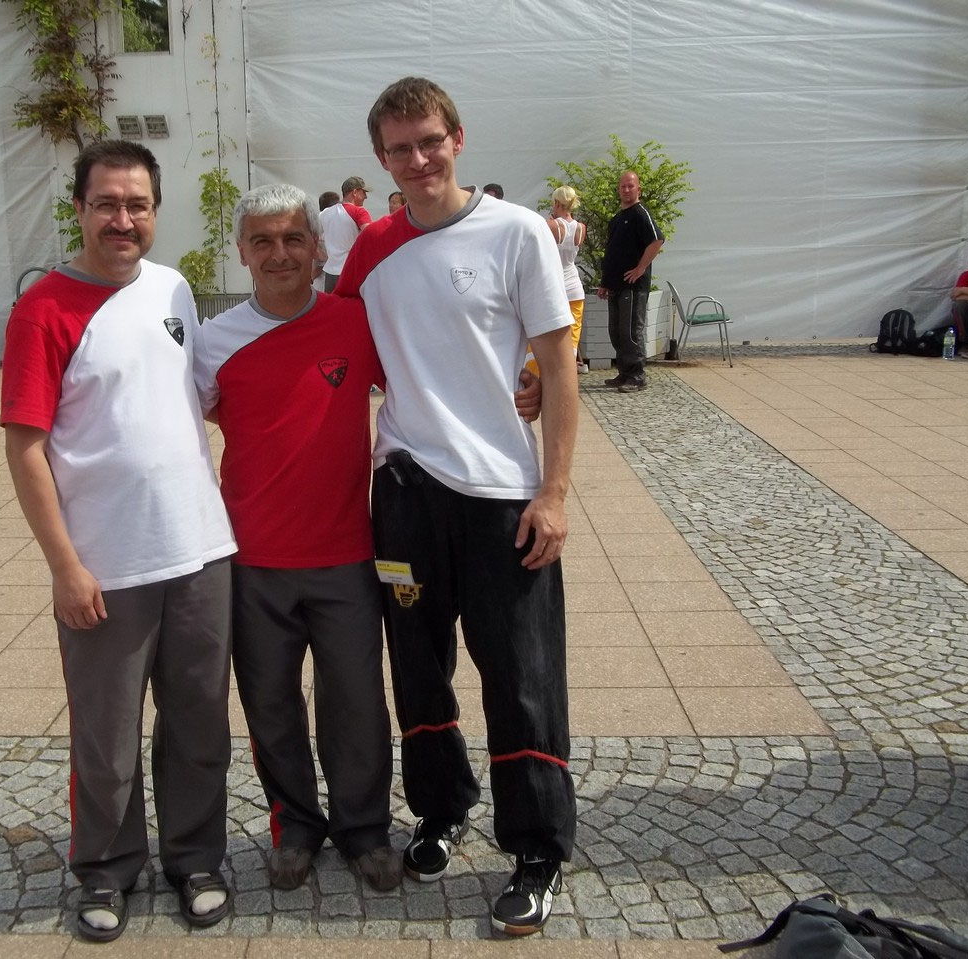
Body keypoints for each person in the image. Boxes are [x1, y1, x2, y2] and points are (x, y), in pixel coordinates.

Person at [336, 76, 580, 937]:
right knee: (419, 668)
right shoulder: (370, 251)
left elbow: (557, 368)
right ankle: (441, 809)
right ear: (380, 160)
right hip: (404, 493)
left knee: (520, 675)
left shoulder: (517, 234)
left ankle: (539, 848)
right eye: (399, 149)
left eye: (429, 140)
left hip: (501, 497)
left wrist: (553, 492)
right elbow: (330, 349)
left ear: (458, 137)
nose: (418, 159)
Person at [1, 139, 236, 941]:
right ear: (79, 208)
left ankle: (197, 857)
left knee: (200, 719)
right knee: (105, 736)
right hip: (106, 563)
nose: (123, 219)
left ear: (154, 211)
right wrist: (65, 564)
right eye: (107, 203)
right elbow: (25, 447)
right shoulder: (45, 308)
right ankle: (105, 869)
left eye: (137, 204)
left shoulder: (173, 289)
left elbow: (200, 394)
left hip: (201, 549)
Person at [194, 183, 400, 893]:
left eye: (292, 239)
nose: (279, 253)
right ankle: (295, 825)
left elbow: (429, 375)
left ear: (318, 247)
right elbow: (185, 424)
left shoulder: (355, 322)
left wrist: (524, 381)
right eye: (263, 240)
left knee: (358, 701)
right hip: (252, 560)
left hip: (346, 552)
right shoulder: (213, 340)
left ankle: (365, 827)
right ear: (243, 252)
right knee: (271, 703)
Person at [597, 171, 664, 393]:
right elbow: (613, 252)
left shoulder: (641, 214)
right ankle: (624, 372)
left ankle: (636, 375)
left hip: (633, 287)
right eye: (623, 187)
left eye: (630, 186)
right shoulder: (617, 218)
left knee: (630, 331)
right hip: (615, 285)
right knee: (616, 331)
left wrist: (640, 268)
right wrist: (605, 282)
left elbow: (657, 240)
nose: (626, 190)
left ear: (638, 189)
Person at [546, 186, 588, 374]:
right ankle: (568, 373)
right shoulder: (581, 228)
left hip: (554, 285)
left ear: (556, 203)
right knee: (573, 335)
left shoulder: (553, 225)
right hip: (574, 286)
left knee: (549, 333)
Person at [318, 176, 372, 293]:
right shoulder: (360, 211)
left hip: (330, 272)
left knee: (332, 308)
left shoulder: (325, 213)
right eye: (363, 193)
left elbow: (310, 236)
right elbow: (370, 235)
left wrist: (322, 255)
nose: (366, 197)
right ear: (355, 192)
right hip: (352, 270)